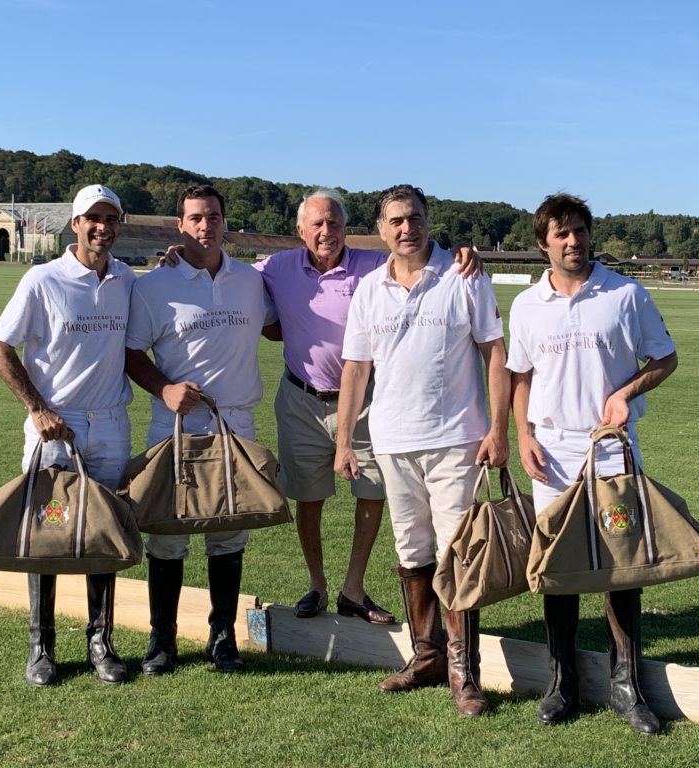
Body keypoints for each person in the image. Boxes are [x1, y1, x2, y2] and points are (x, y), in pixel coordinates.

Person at [255, 188, 481, 624]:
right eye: (317, 224)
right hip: (301, 398)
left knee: (372, 493)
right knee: (308, 498)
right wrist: (179, 255)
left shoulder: (374, 265)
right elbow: (225, 272)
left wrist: (462, 253)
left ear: (347, 228)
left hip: (366, 400)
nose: (327, 232)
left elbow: (416, 255)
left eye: (334, 223)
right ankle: (317, 584)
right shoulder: (277, 267)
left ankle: (353, 588)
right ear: (300, 230)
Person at [334, 184, 509, 717]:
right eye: (396, 221)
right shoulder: (369, 289)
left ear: (428, 221)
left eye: (414, 218)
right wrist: (344, 441)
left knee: (457, 553)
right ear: (381, 230)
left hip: (456, 439)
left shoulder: (464, 275)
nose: (406, 228)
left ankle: (464, 672)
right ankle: (427, 657)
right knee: (412, 552)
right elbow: (356, 369)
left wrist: (498, 429)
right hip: (392, 440)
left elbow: (494, 353)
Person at [507, 193, 678, 735]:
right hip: (552, 452)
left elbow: (666, 357)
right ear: (543, 243)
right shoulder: (527, 305)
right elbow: (521, 376)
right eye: (561, 233)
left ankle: (627, 687)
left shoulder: (625, 293)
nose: (573, 241)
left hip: (611, 447)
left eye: (579, 230)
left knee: (622, 564)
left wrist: (626, 392)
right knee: (559, 567)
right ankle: (563, 683)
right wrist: (523, 435)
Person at [0, 184, 135, 686]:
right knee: (46, 533)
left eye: (110, 219)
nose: (102, 227)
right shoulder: (42, 279)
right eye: (93, 218)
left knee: (103, 533)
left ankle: (101, 642)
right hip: (55, 428)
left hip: (109, 425)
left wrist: (175, 260)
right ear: (75, 224)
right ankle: (41, 646)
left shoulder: (126, 278)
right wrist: (37, 408)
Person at [125, 184, 276, 675]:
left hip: (235, 421)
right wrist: (164, 388)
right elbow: (131, 351)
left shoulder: (251, 280)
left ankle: (222, 637)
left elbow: (281, 323)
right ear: (180, 225)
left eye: (213, 217)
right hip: (175, 426)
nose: (205, 226)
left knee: (228, 533)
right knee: (169, 536)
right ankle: (162, 639)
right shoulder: (154, 286)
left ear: (224, 222)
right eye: (195, 218)